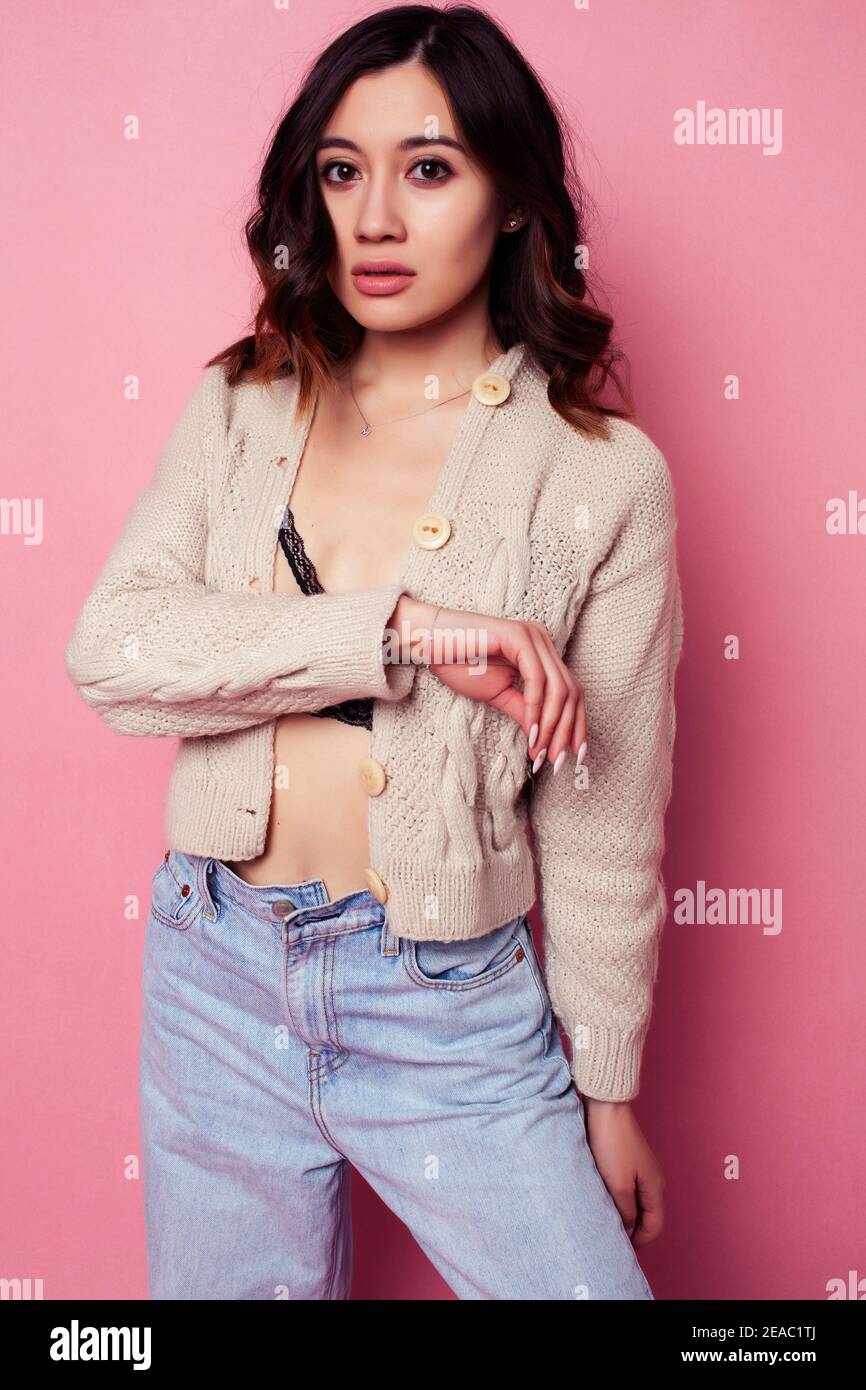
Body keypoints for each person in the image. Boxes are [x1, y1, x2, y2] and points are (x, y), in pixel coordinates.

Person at [63, 3, 683, 1300]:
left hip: (447, 998)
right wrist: (394, 631)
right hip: (213, 968)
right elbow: (115, 647)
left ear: (511, 195)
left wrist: (607, 1086)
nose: (377, 219)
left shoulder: (600, 476)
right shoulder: (244, 399)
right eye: (343, 171)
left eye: (431, 168)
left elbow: (603, 811)